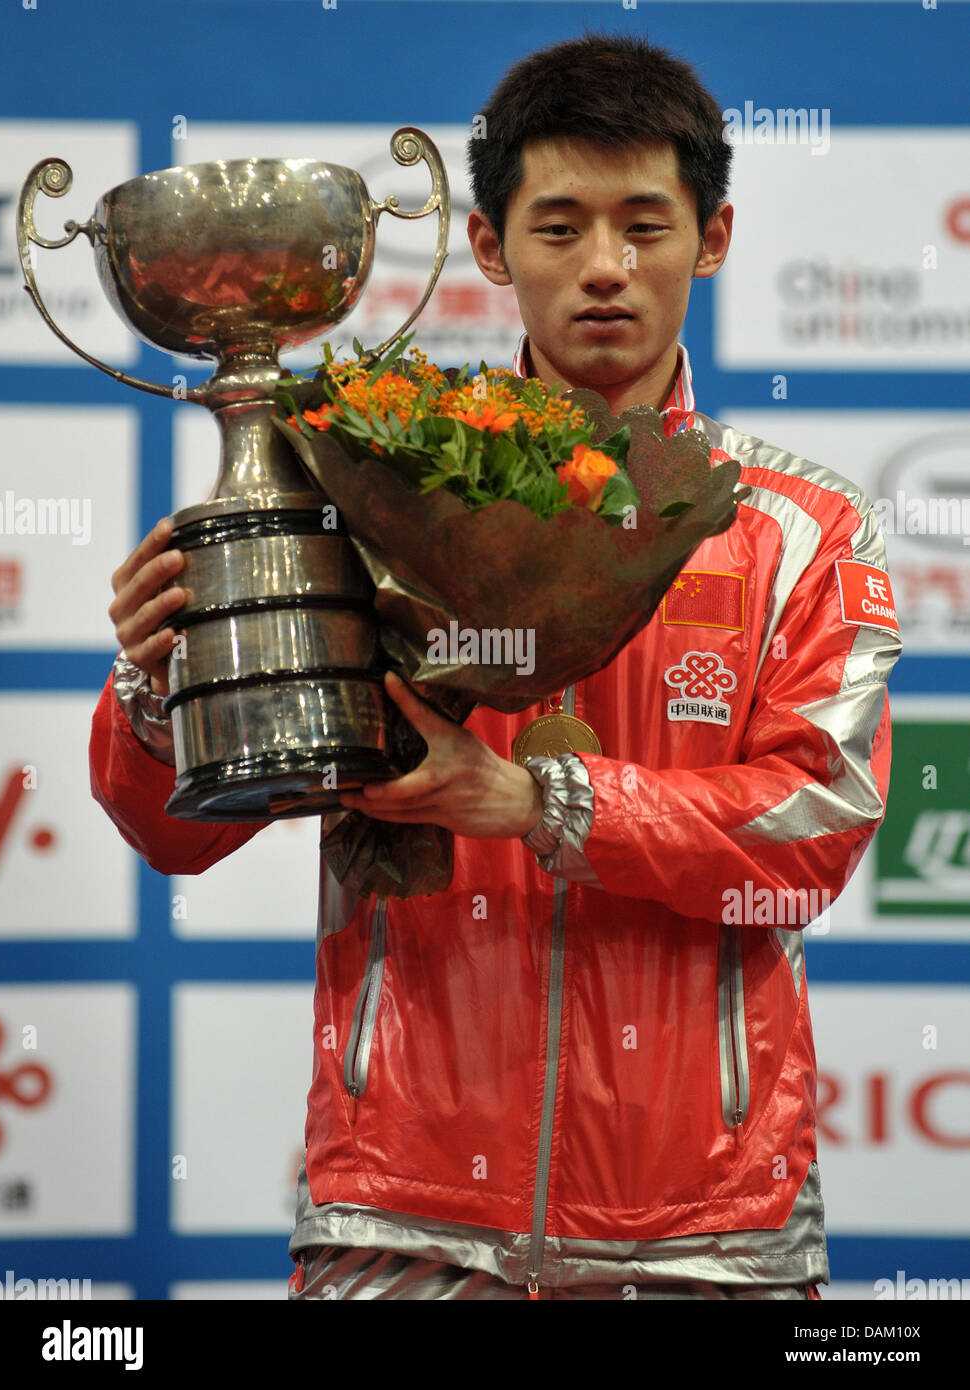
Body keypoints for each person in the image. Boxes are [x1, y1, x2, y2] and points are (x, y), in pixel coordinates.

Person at [90, 33, 902, 1300]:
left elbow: (814, 829)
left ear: (717, 235)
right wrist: (161, 691)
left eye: (646, 225)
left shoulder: (798, 526)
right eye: (560, 226)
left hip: (708, 1233)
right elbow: (174, 835)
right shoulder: (358, 486)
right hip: (403, 1219)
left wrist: (536, 802)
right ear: (486, 246)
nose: (605, 270)